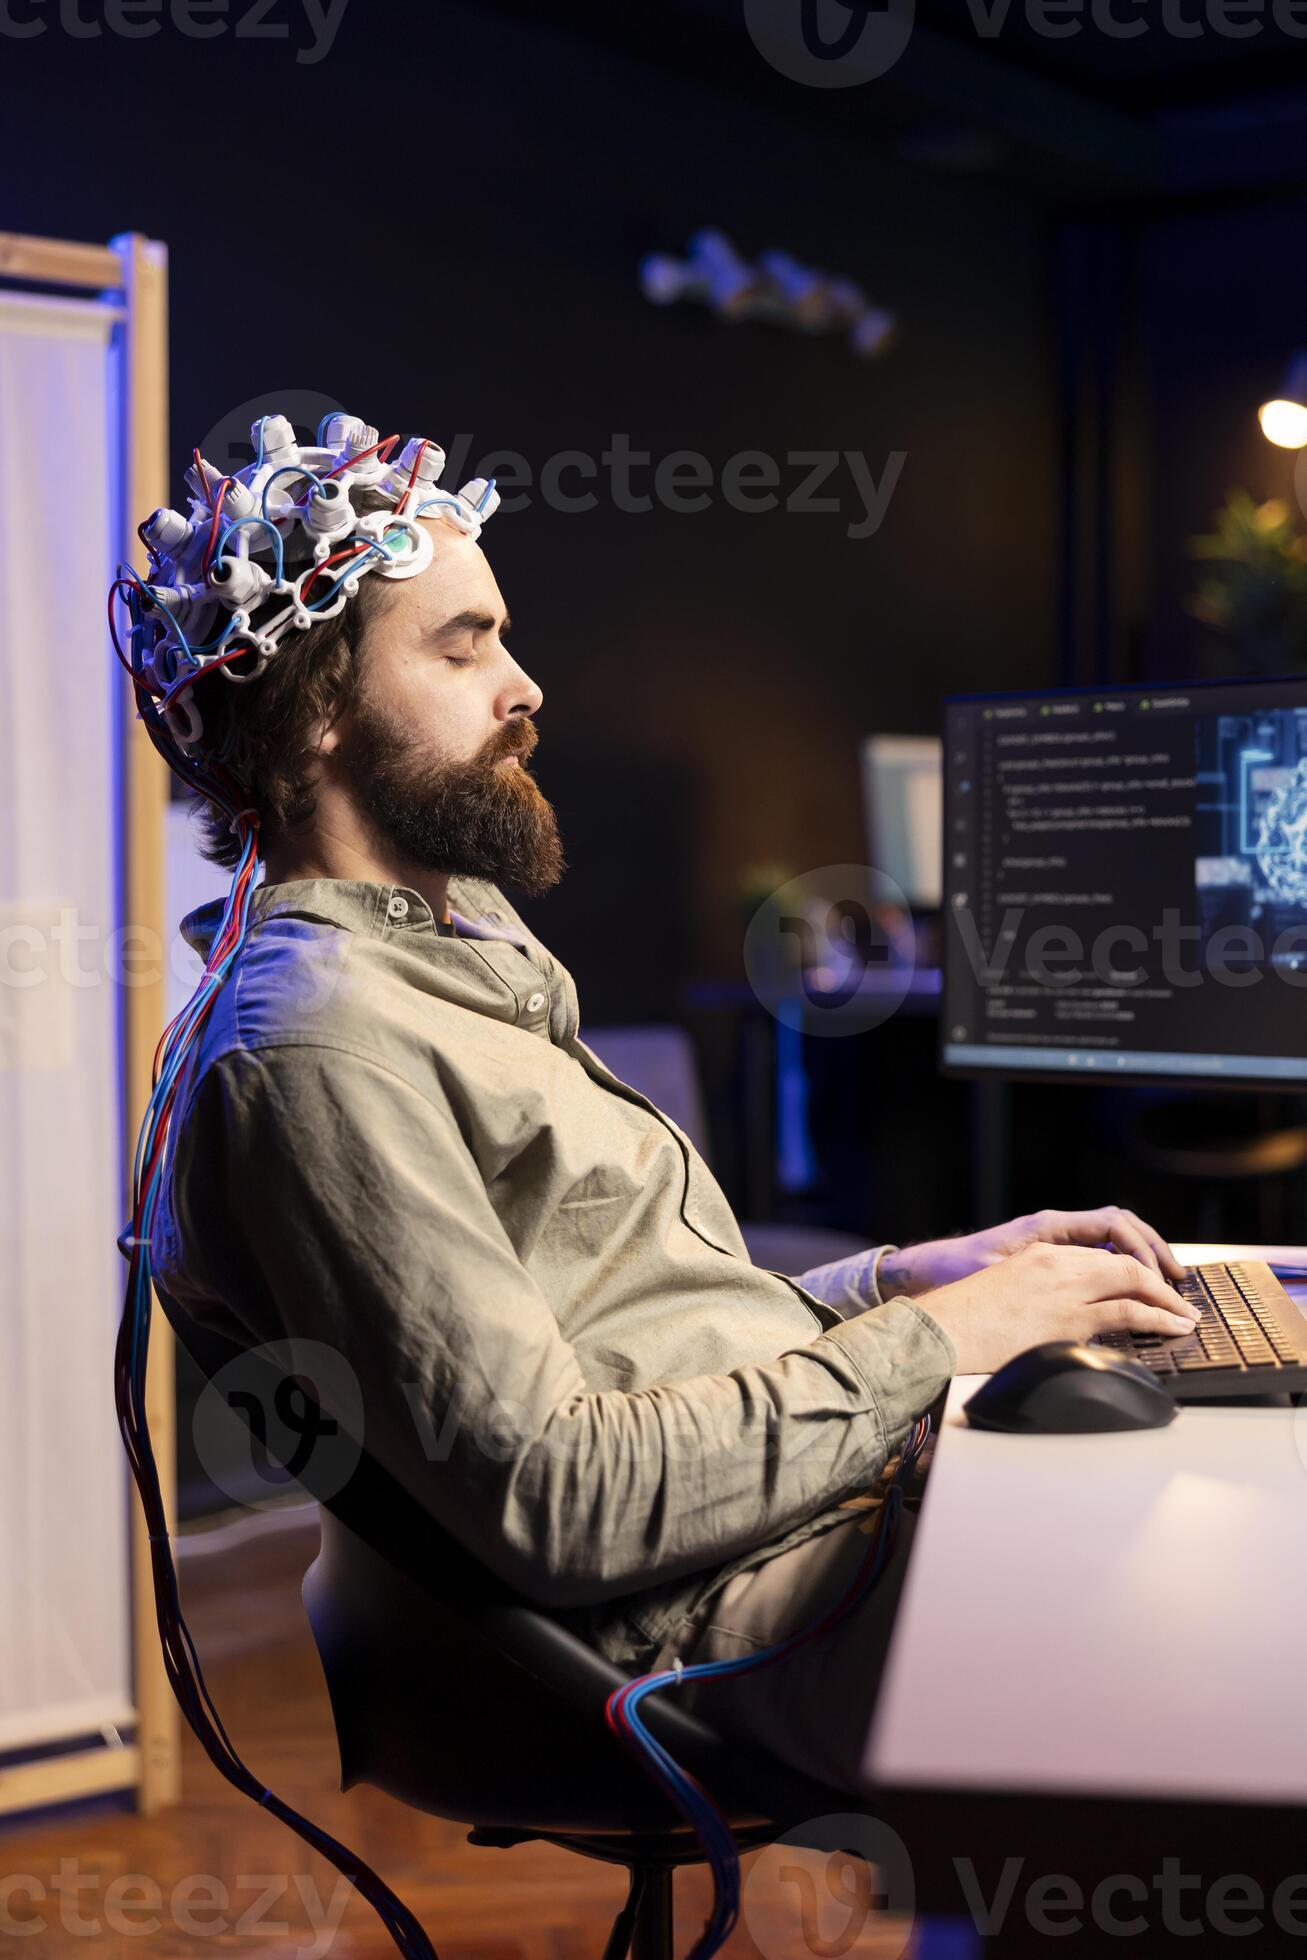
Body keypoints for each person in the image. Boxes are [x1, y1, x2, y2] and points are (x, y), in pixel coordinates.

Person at [150, 464, 1198, 1799]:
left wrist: (900, 1282)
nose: (523, 686)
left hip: (788, 1533)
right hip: (699, 1626)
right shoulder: (319, 1052)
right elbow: (563, 1498)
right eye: (463, 648)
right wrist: (942, 1344)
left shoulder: (445, 964)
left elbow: (627, 1335)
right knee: (1220, 1639)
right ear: (313, 724)